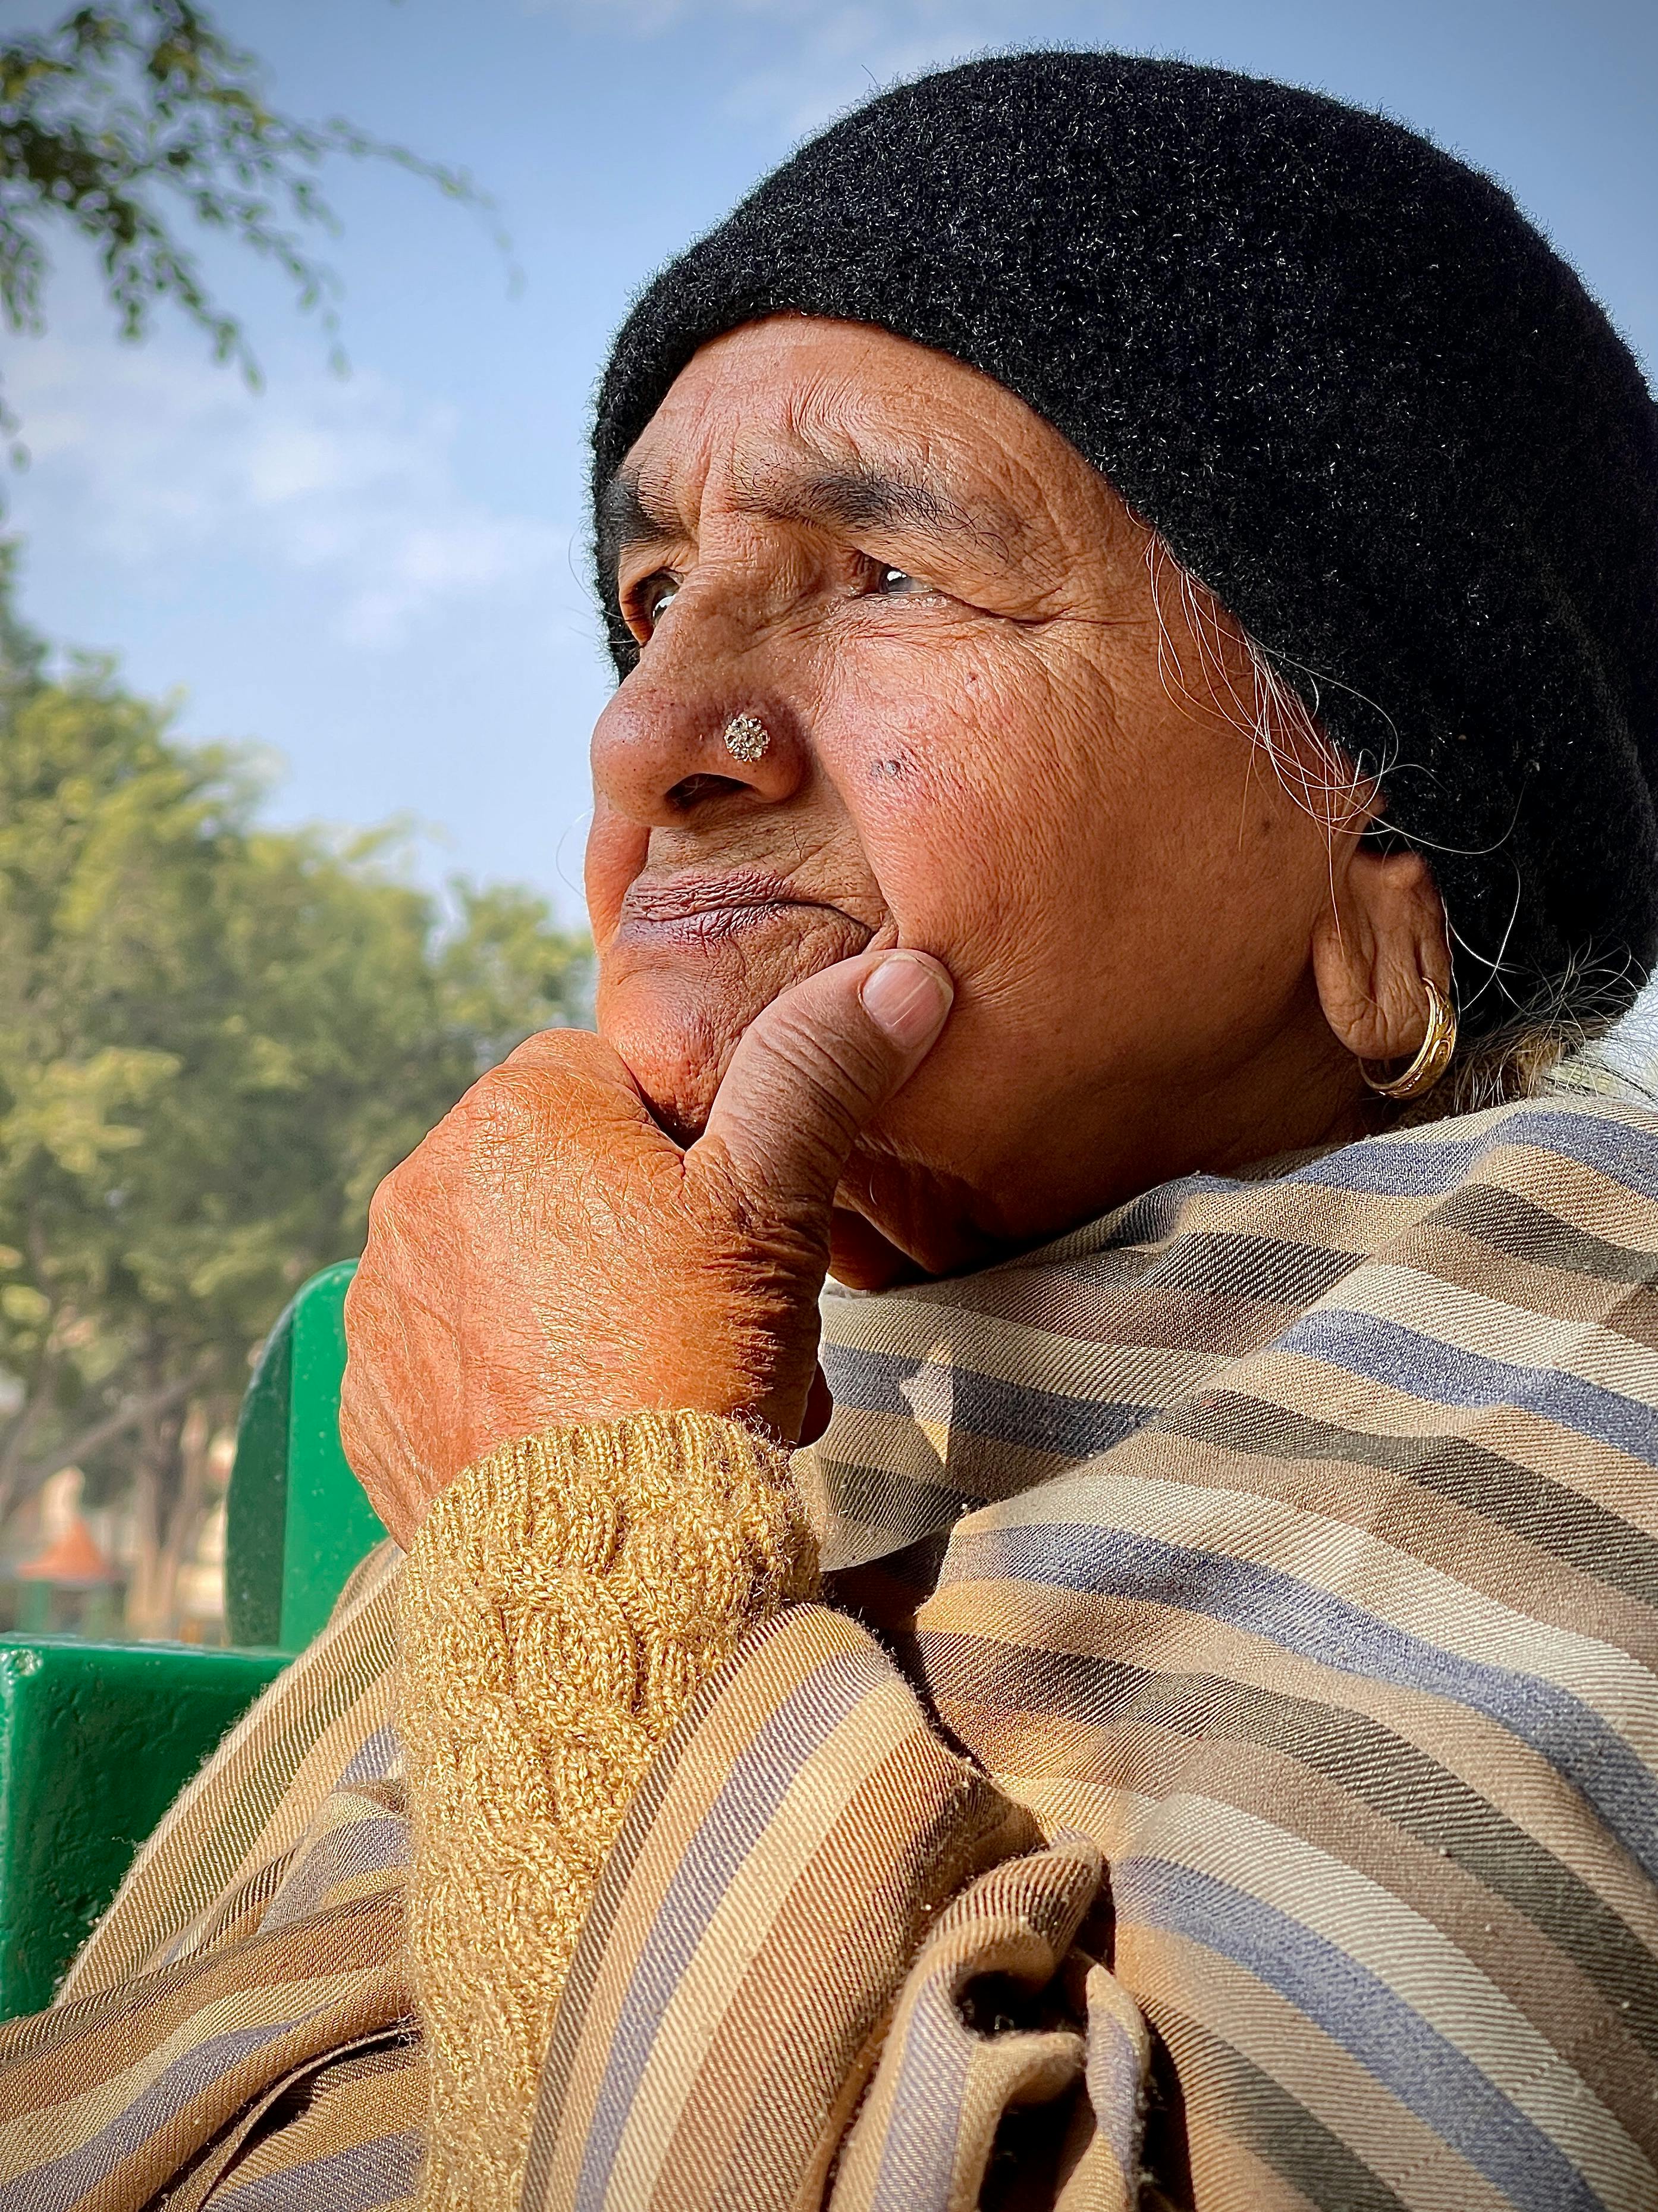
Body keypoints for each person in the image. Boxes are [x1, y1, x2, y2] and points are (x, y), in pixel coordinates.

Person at [6, 47, 1658, 2212]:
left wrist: (582, 1539)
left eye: (883, 571)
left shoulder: (1588, 1389)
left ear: (1382, 831)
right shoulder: (708, 1370)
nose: (648, 736)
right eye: (649, 595)